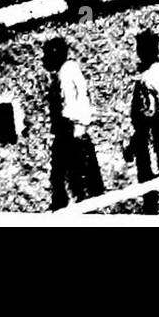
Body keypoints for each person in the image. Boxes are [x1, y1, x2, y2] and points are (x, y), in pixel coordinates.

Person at [123, 29, 159, 214]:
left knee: (147, 176)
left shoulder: (146, 79)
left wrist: (133, 143)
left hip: (147, 131)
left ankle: (152, 212)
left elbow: (148, 112)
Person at [43, 37, 105, 210]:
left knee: (67, 183)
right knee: (87, 185)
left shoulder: (63, 76)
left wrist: (64, 131)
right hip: (80, 133)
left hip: (70, 135)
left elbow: (67, 108)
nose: (44, 60)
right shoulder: (73, 68)